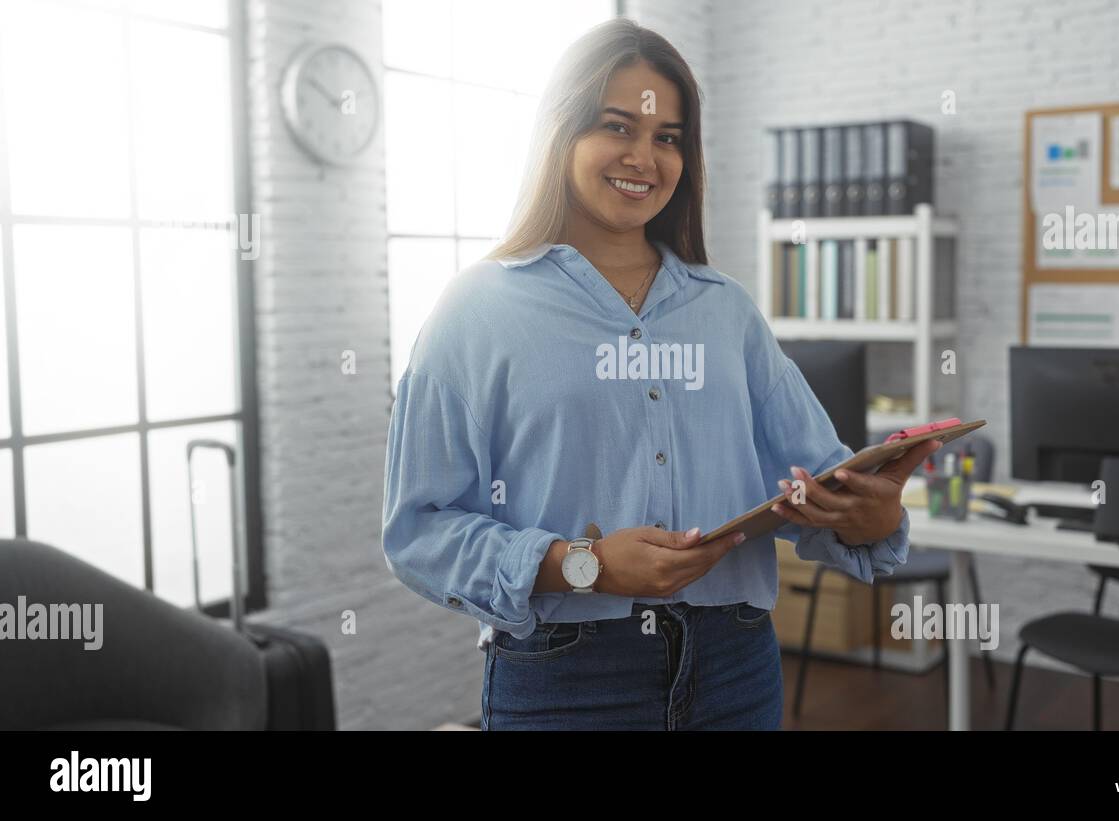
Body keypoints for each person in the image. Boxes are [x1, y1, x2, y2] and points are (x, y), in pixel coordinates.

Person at [381, 17, 940, 730]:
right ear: (561, 133)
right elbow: (419, 531)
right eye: (618, 127)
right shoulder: (475, 311)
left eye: (667, 137)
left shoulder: (727, 312)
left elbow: (826, 479)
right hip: (566, 677)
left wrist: (874, 512)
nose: (644, 157)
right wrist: (585, 564)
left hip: (735, 667)